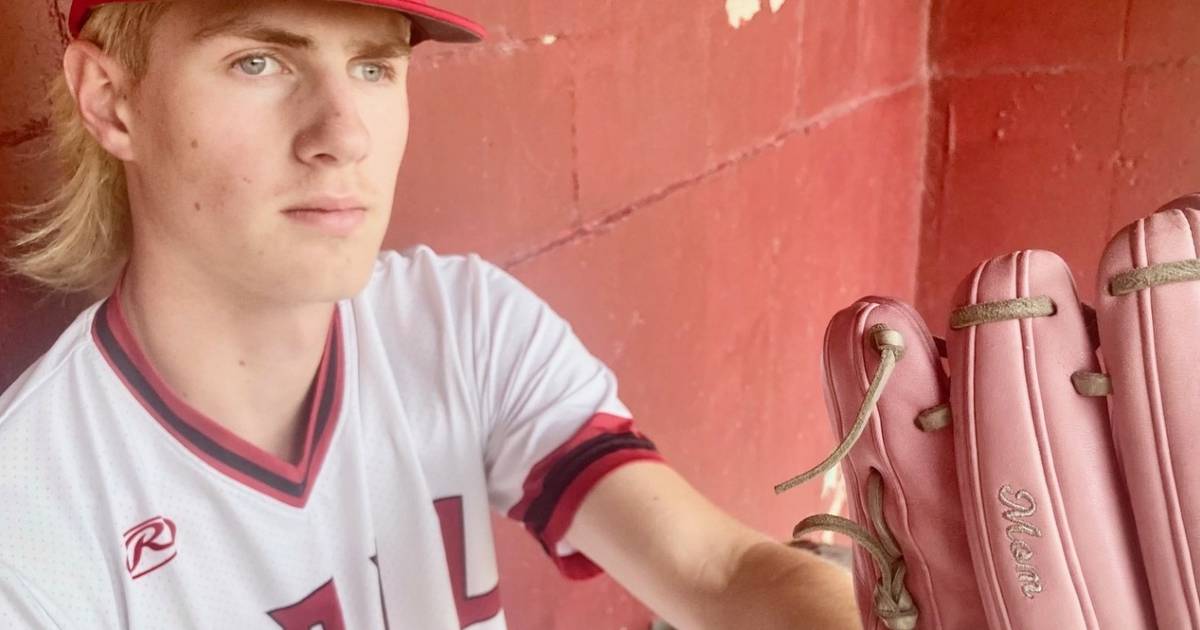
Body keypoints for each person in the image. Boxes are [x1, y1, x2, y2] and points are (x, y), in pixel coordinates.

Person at [0, 1, 860, 627]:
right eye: (259, 60)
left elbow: (719, 571)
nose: (343, 134)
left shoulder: (460, 321)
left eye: (374, 67)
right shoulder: (30, 513)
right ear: (112, 100)